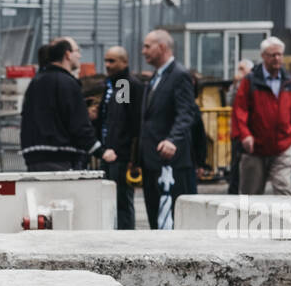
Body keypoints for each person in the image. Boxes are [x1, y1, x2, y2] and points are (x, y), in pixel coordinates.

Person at [139, 29, 197, 229]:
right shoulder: (154, 78)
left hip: (169, 161)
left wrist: (173, 140)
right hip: (150, 159)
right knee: (155, 215)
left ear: (161, 47)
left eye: (147, 46)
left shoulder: (178, 75)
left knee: (171, 219)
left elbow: (187, 112)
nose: (143, 51)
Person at [232, 37, 291, 196]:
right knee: (251, 197)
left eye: (280, 55)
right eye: (272, 55)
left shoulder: (288, 82)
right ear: (263, 56)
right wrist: (245, 135)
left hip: (282, 146)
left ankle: (285, 221)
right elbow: (240, 110)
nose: (277, 58)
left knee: (284, 191)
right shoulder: (250, 81)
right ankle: (250, 222)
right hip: (255, 148)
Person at [20, 38, 100, 173]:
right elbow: (76, 121)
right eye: (77, 51)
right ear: (67, 54)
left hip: (40, 156)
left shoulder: (39, 82)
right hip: (64, 156)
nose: (80, 55)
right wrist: (100, 150)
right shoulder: (123, 83)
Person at [96, 46, 142, 229]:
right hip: (110, 153)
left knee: (122, 201)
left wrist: (131, 157)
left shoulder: (125, 85)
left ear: (124, 62)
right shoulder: (113, 85)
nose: (107, 65)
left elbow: (129, 122)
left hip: (120, 155)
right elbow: (114, 117)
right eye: (106, 60)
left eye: (112, 61)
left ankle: (126, 237)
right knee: (110, 200)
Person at [226, 59, 252, 194]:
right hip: (237, 131)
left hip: (247, 132)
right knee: (235, 166)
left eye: (242, 68)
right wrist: (236, 84)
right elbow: (230, 102)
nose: (239, 72)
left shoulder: (252, 84)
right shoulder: (236, 86)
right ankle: (234, 192)